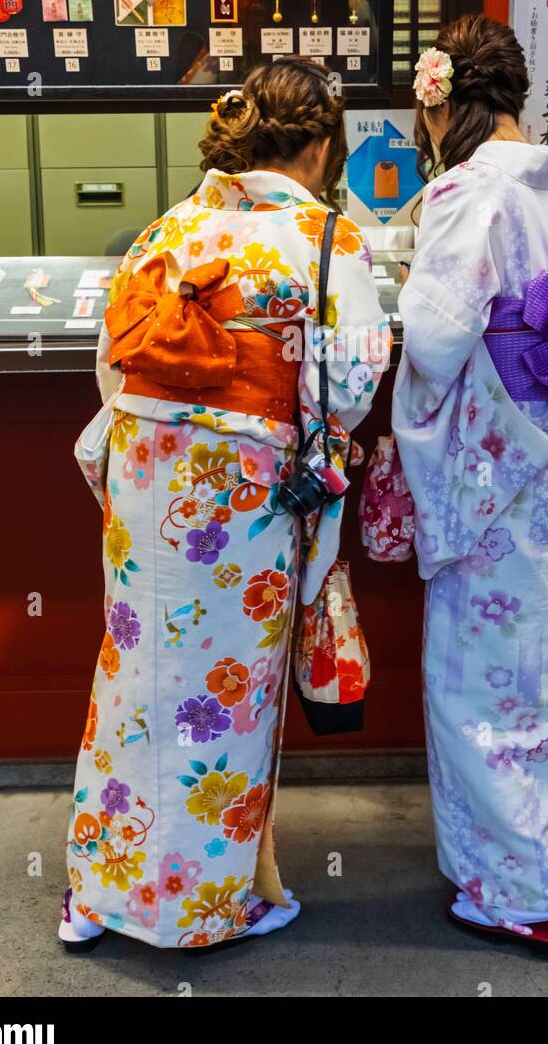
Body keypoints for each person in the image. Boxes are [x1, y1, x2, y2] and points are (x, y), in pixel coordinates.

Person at [60, 58, 390, 951]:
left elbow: (113, 363)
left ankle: (98, 895)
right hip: (240, 485)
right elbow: (351, 380)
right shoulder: (326, 239)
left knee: (134, 675)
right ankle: (204, 907)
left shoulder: (171, 229)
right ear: (321, 146)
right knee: (227, 688)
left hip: (143, 471)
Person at [392, 15, 548, 955]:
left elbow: (435, 337)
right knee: (544, 671)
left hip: (495, 465)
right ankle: (509, 866)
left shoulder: (468, 193)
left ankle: (518, 892)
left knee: (477, 679)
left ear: (444, 101)